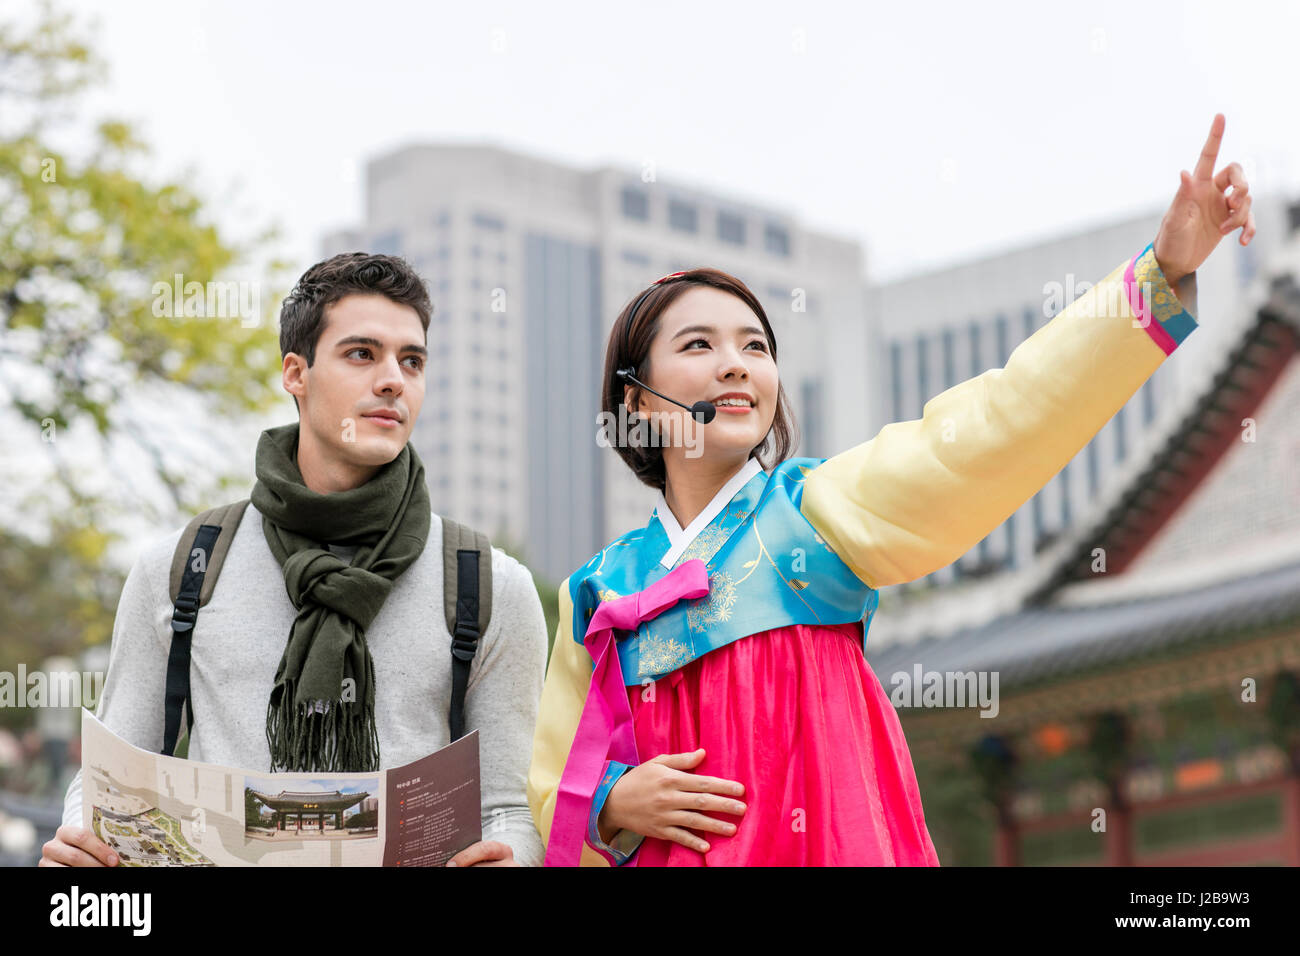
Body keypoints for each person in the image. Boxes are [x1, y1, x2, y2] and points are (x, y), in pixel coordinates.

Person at [527, 114, 1256, 866]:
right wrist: (610, 803)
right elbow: (543, 790)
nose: (738, 364)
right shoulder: (598, 593)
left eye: (755, 346)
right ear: (639, 400)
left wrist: (1161, 273)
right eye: (698, 345)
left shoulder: (815, 517)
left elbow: (1002, 419)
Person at [42, 253, 549, 867]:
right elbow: (106, 780)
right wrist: (81, 848)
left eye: (411, 361)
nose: (393, 379)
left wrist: (511, 859)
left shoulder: (486, 583)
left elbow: (509, 807)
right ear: (296, 373)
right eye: (362, 354)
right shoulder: (182, 566)